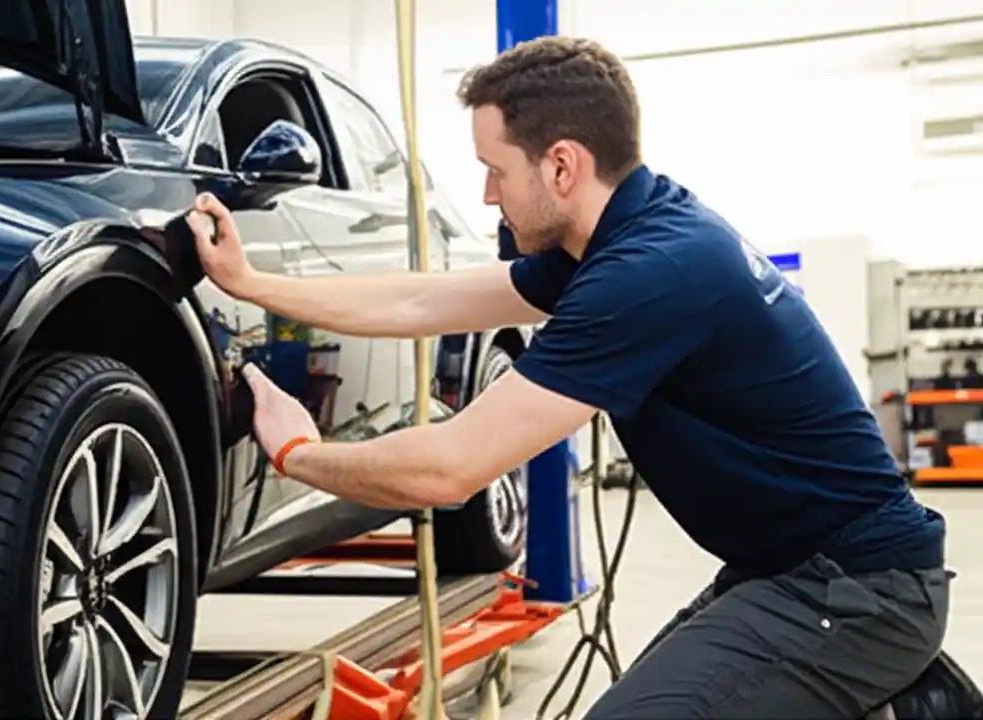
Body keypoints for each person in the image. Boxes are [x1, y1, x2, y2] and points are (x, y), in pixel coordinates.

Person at [186, 35, 950, 718]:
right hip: (794, 575)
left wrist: (300, 455)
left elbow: (450, 469)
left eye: (495, 171)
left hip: (852, 594)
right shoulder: (629, 236)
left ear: (561, 164)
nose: (487, 196)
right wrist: (254, 285)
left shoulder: (649, 273)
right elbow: (425, 298)